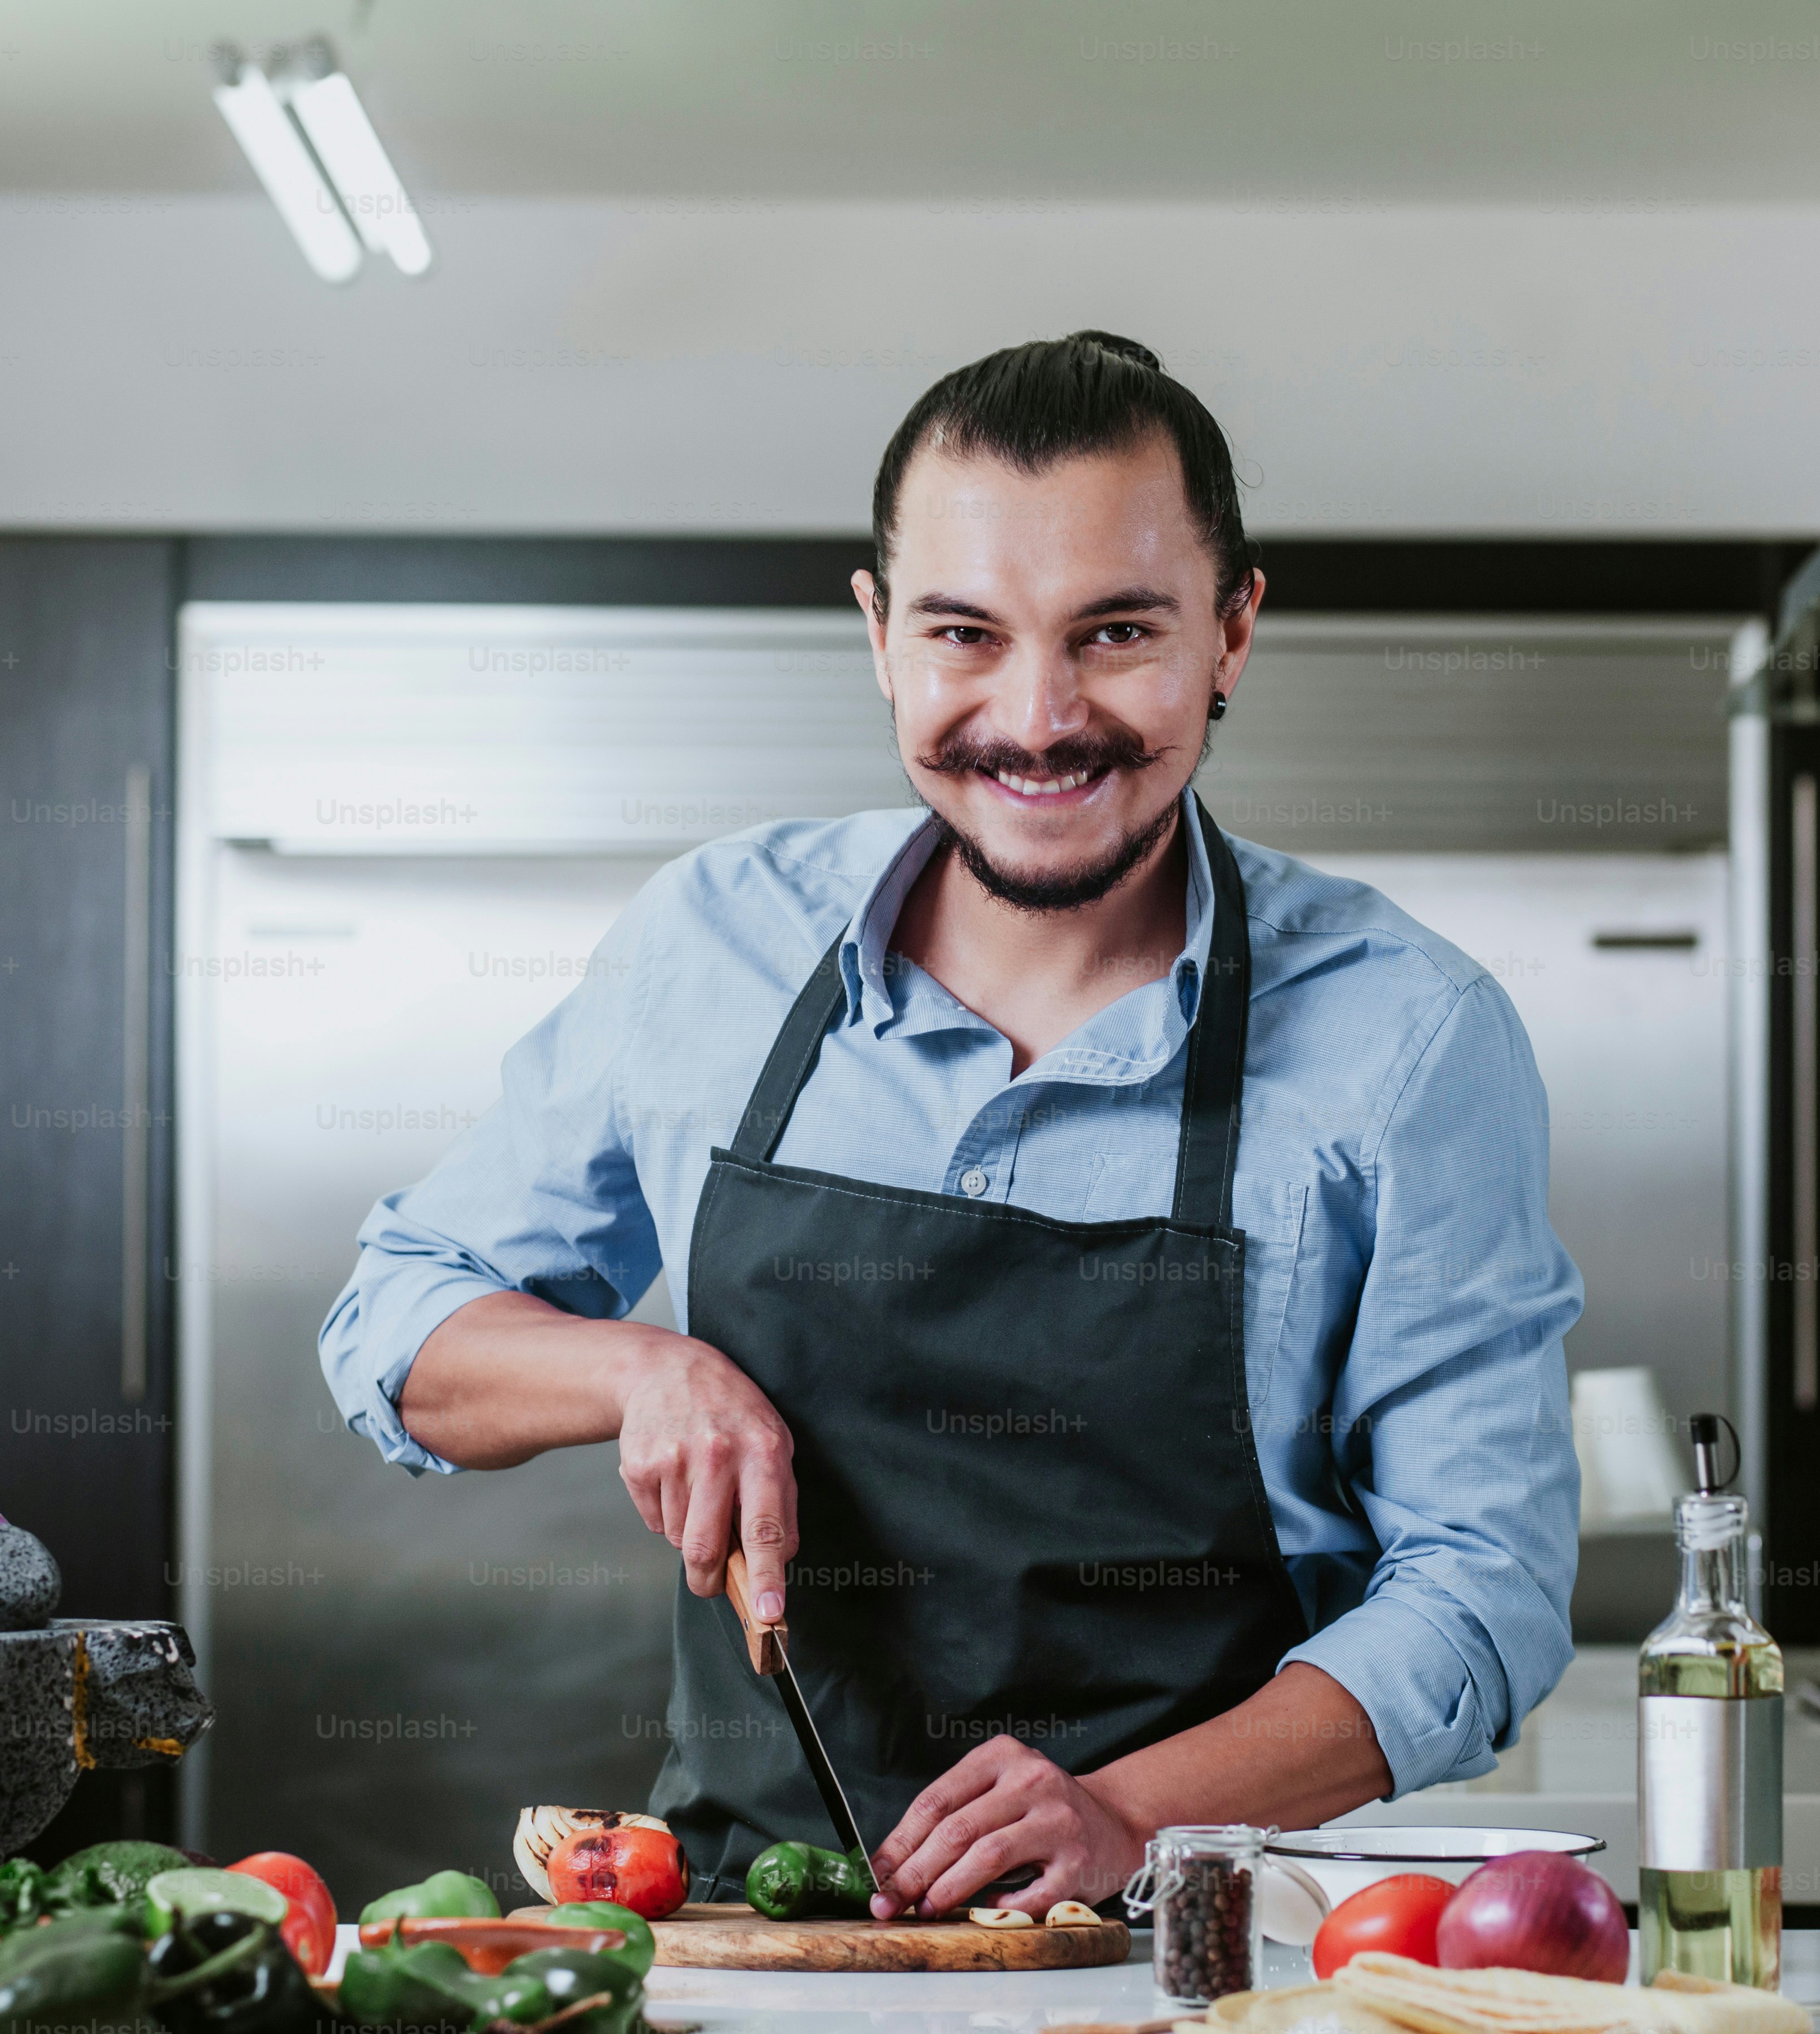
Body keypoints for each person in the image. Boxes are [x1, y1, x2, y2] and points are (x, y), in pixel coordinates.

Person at [319, 330, 1581, 1918]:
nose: (1037, 717)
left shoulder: (1411, 1040)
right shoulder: (711, 944)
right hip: (746, 1940)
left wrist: (1129, 1811)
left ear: (1234, 632)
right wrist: (642, 1365)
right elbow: (395, 1317)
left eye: (1115, 632)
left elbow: (1488, 1585)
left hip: (1187, 1957)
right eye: (965, 634)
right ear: (879, 633)